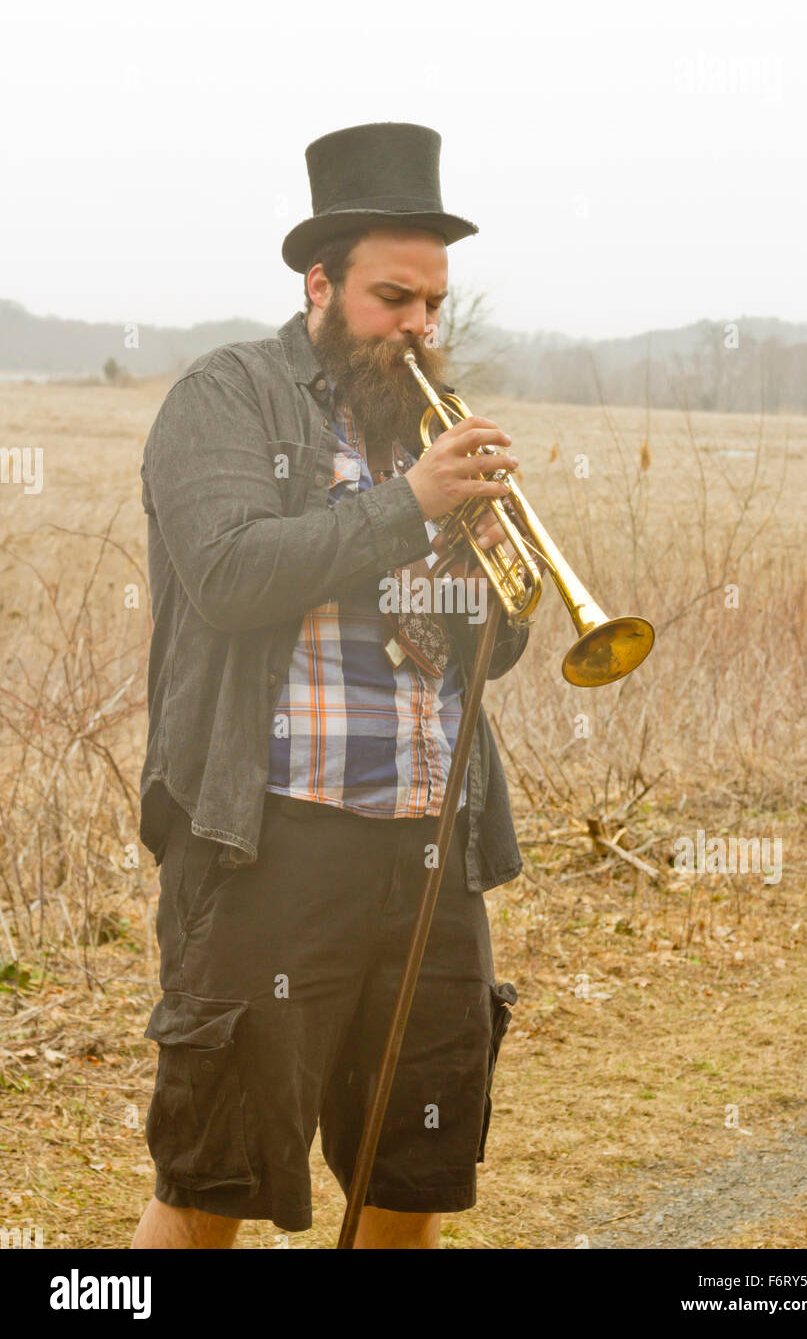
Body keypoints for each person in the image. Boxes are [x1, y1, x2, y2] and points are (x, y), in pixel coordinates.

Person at [132, 123, 527, 1250]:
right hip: (269, 844)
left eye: (431, 304)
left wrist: (489, 581)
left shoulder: (421, 426)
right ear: (319, 283)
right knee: (214, 1178)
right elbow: (228, 575)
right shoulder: (228, 395)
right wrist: (412, 507)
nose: (416, 325)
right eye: (391, 297)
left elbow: (484, 655)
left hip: (429, 850)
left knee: (412, 1178)